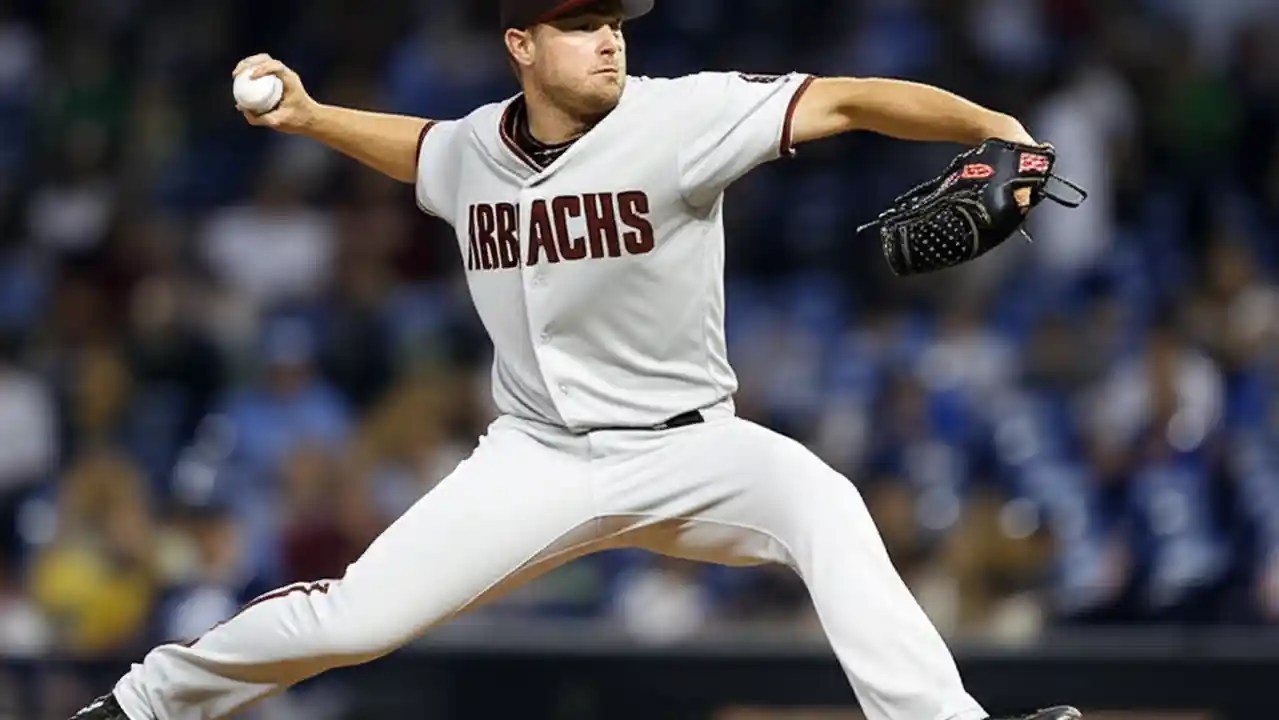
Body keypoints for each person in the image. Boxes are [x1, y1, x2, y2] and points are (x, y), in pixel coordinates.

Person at [73, 1, 1080, 718]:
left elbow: (849, 100)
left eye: (615, 22)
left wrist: (994, 128)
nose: (607, 40)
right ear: (520, 42)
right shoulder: (473, 148)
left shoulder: (681, 116)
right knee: (352, 621)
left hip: (693, 449)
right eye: (579, 23)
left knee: (824, 505)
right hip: (535, 459)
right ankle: (142, 705)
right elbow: (424, 151)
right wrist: (308, 117)